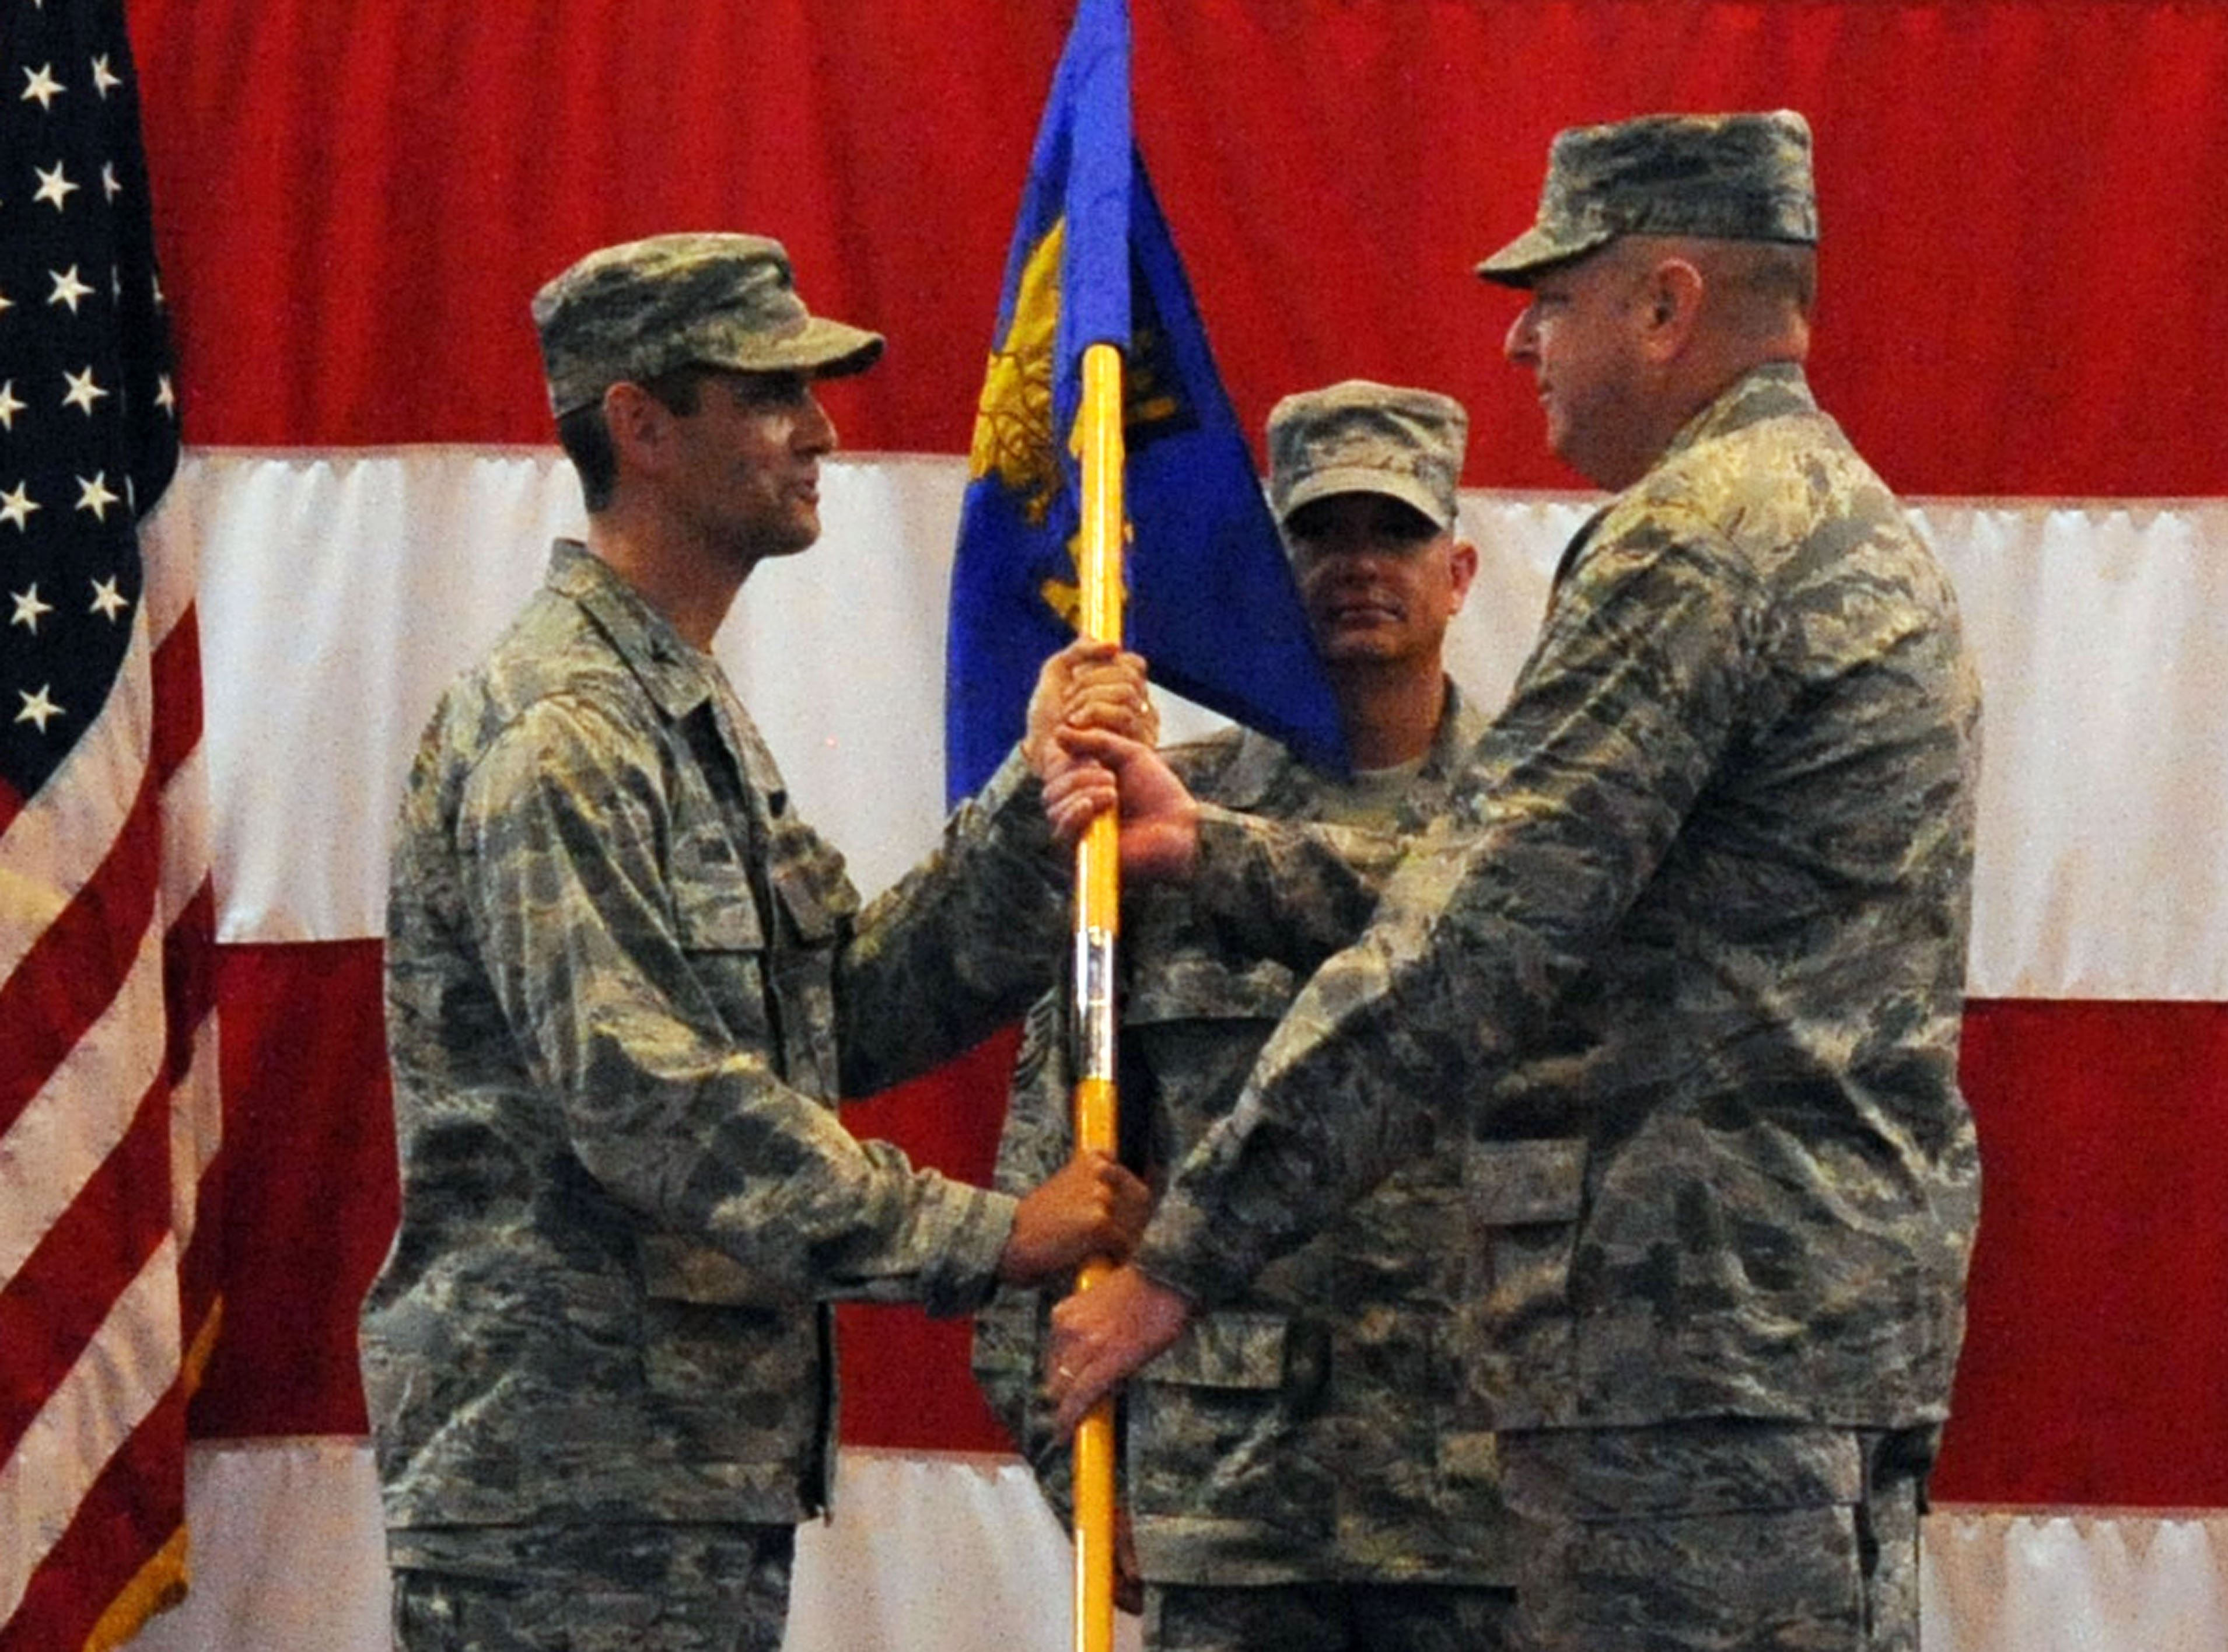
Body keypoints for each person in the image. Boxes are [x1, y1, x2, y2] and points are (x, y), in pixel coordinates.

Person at [1044, 112, 1983, 1652]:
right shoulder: (1849, 527)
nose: (1519, 341)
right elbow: (1581, 905)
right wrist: (1217, 849)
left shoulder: (1697, 540)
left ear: (1667, 304)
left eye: (1558, 296)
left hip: (1688, 1365)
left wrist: (1183, 1260)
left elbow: (1481, 938)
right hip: (1794, 1349)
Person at [360, 231, 1152, 1652]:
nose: (821, 430)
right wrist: (982, 1236)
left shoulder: (679, 712)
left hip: (670, 1476)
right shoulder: (564, 728)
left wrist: (1031, 823)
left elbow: (836, 1011)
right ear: (641, 425)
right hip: (566, 1493)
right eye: (771, 392)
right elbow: (646, 1096)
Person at [974, 381, 1513, 1651]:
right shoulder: (1158, 830)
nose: (1360, 567)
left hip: (1494, 1528)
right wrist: (1105, 1498)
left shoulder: (1541, 830)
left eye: (1396, 533)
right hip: (1233, 1530)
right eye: (1322, 536)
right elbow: (1049, 1196)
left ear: (1460, 569)